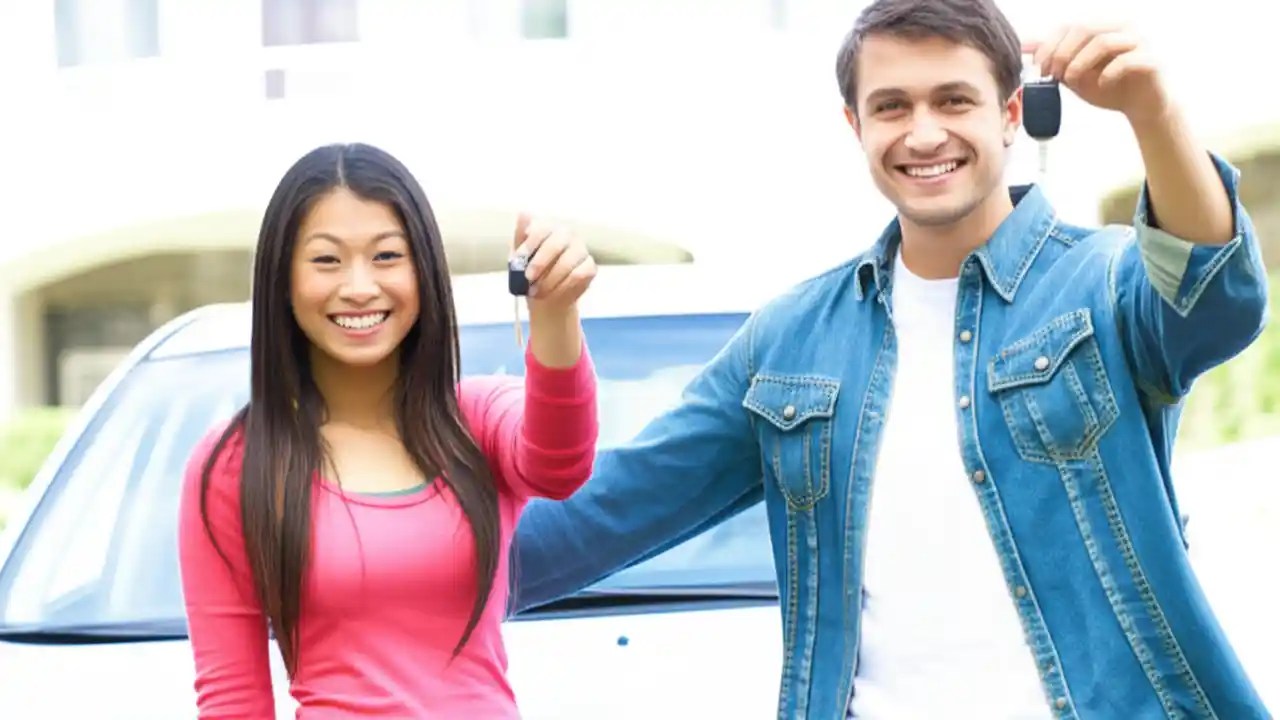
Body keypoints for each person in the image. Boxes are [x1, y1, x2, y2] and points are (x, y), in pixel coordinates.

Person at [509, 2, 1271, 718]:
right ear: (856, 124)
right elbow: (601, 515)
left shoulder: (1100, 284)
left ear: (1011, 114)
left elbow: (1215, 301)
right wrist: (399, 550)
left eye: (954, 100)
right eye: (892, 106)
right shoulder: (791, 341)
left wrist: (1152, 112)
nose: (924, 133)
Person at [177, 142, 600, 719]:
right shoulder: (233, 464)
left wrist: (556, 312)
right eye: (326, 260)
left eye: (386, 256)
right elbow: (232, 703)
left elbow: (559, 464)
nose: (358, 287)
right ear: (282, 280)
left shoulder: (475, 421)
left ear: (423, 270)